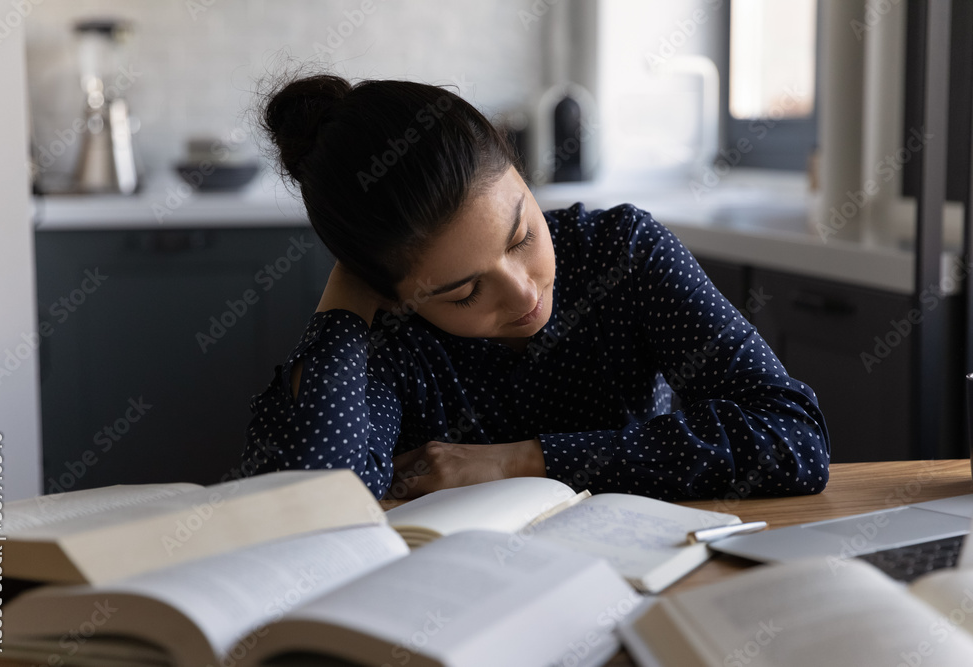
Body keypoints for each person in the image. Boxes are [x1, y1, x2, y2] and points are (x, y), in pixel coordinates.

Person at [239, 72, 830, 502]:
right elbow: (313, 499)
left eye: (521, 236)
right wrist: (348, 300)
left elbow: (793, 436)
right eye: (464, 293)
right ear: (392, 293)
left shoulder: (619, 253)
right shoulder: (391, 337)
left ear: (520, 173)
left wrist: (524, 461)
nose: (523, 294)